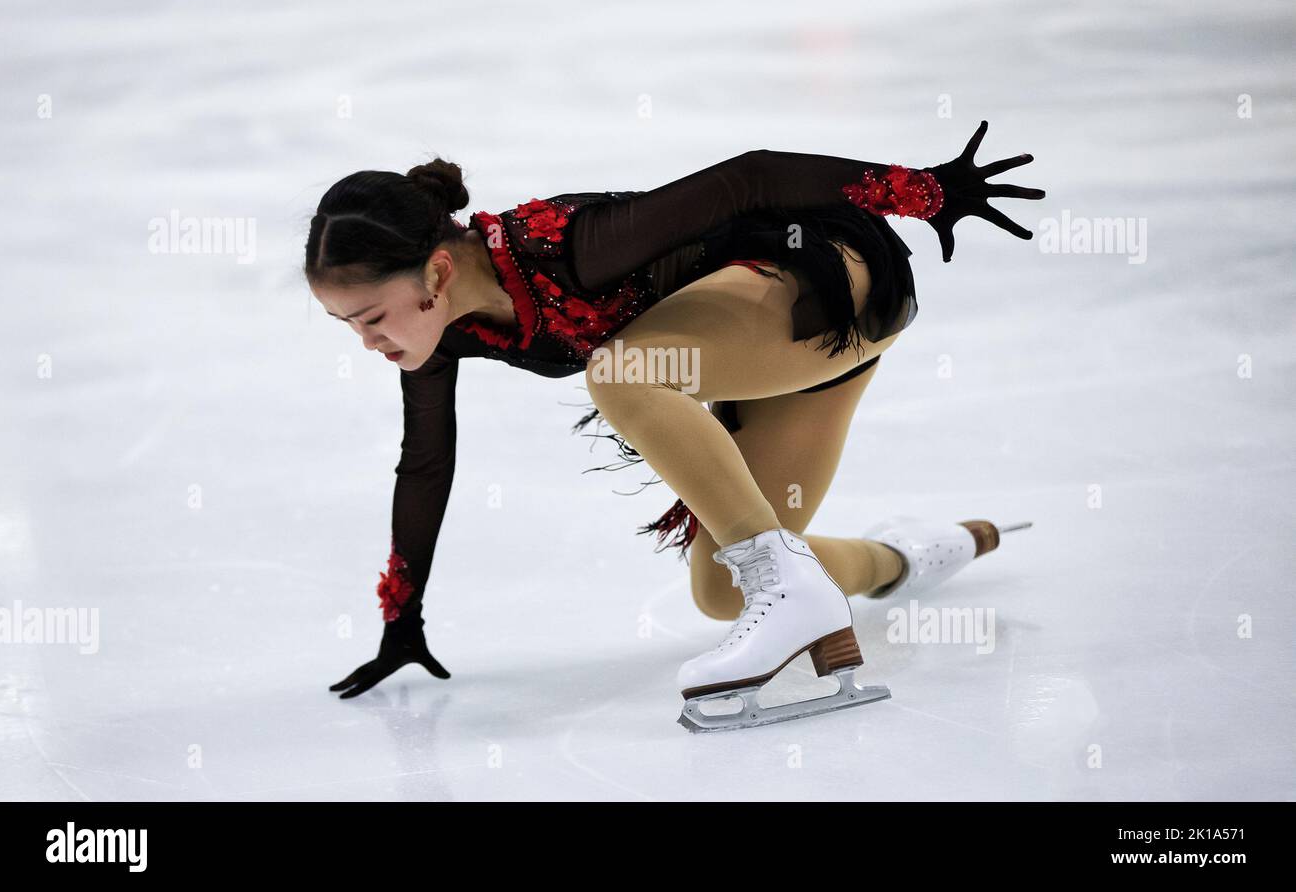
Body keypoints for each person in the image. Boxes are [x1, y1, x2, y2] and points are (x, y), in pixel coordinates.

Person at [306, 121, 1044, 727]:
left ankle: (791, 592)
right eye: (348, 326)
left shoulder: (563, 244)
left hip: (829, 277)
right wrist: (402, 617)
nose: (367, 342)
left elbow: (749, 178)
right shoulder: (451, 333)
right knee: (722, 589)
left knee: (623, 371)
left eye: (371, 317)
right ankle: (908, 554)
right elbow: (425, 465)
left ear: (435, 273)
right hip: (777, 352)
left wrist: (923, 191)